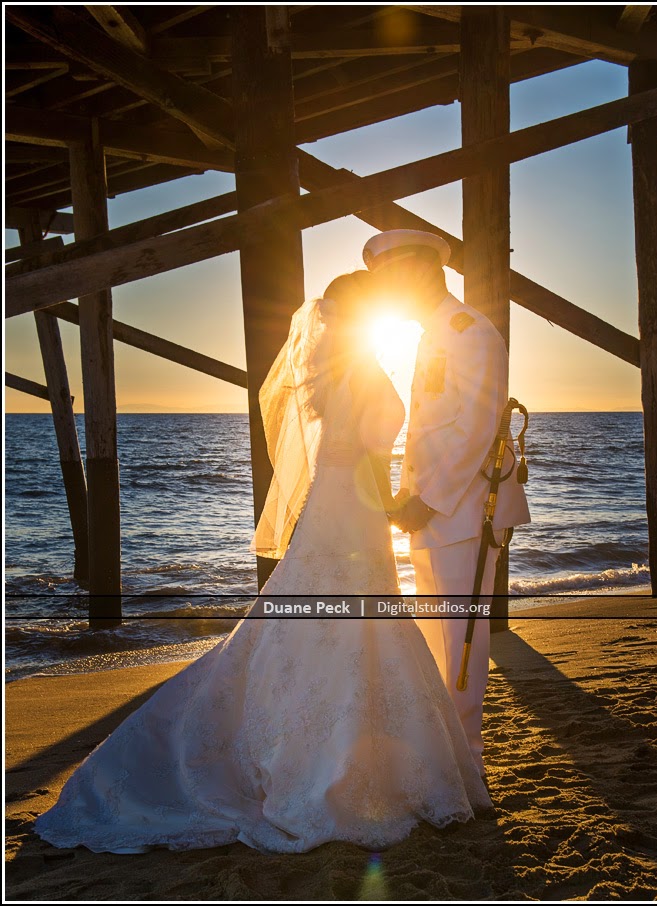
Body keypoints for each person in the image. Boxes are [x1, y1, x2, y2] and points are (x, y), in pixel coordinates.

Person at [33, 270, 491, 857]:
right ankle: (334, 774)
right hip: (354, 505)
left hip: (341, 503)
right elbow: (368, 453)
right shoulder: (358, 367)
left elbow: (347, 447)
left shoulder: (336, 365)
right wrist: (399, 506)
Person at [363, 230, 531, 776]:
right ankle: (447, 755)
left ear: (423, 272)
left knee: (460, 638)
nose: (391, 290)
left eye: (394, 278)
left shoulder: (468, 331)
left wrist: (427, 500)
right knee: (439, 633)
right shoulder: (433, 334)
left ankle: (467, 759)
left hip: (463, 512)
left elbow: (477, 427)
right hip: (435, 512)